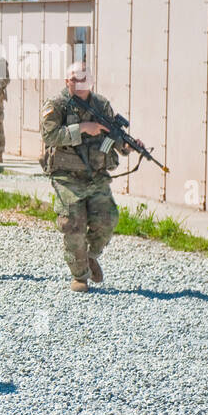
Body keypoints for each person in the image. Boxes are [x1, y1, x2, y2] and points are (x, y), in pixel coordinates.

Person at [40, 62, 141, 292]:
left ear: (91, 81)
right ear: (67, 81)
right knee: (72, 224)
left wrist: (127, 145)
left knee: (108, 219)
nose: (78, 82)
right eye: (74, 79)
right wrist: (83, 127)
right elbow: (49, 136)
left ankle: (91, 255)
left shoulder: (101, 105)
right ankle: (81, 275)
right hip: (67, 175)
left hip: (95, 174)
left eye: (83, 78)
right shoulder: (56, 105)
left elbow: (112, 137)